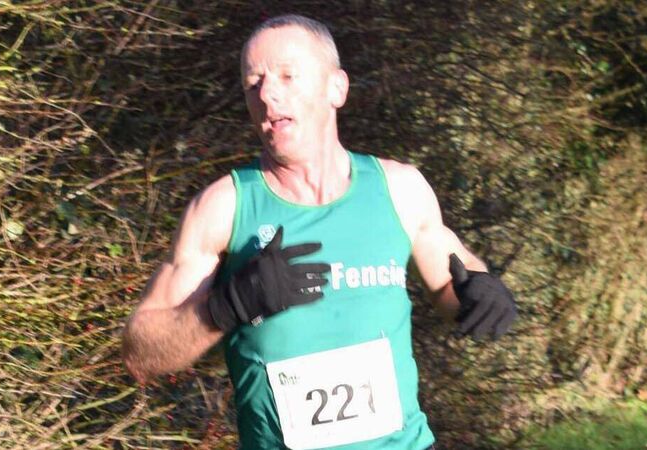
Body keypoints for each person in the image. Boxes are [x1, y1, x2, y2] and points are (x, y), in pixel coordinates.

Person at [122, 14, 517, 450]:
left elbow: (450, 280)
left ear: (337, 88)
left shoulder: (400, 189)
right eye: (253, 83)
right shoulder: (222, 208)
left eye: (287, 76)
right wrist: (224, 308)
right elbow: (141, 352)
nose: (267, 94)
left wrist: (481, 292)